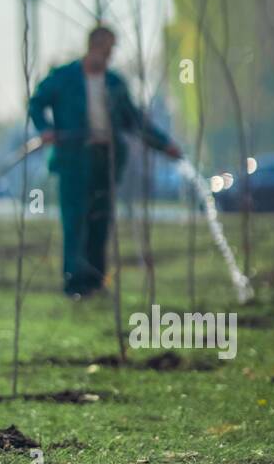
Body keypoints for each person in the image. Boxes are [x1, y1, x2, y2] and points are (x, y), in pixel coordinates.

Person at [29, 25, 181, 298]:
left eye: (111, 50)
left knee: (100, 221)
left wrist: (163, 144)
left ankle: (96, 281)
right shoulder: (63, 78)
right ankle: (75, 283)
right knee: (75, 221)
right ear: (93, 46)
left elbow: (134, 120)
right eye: (107, 49)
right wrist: (45, 128)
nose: (109, 55)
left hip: (106, 160)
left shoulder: (114, 83)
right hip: (74, 160)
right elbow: (36, 103)